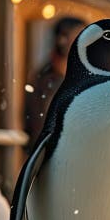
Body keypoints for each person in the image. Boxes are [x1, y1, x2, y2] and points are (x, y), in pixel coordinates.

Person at [24, 17, 85, 148]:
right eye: (78, 36)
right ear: (61, 40)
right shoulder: (44, 79)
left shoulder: (87, 76)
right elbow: (37, 125)